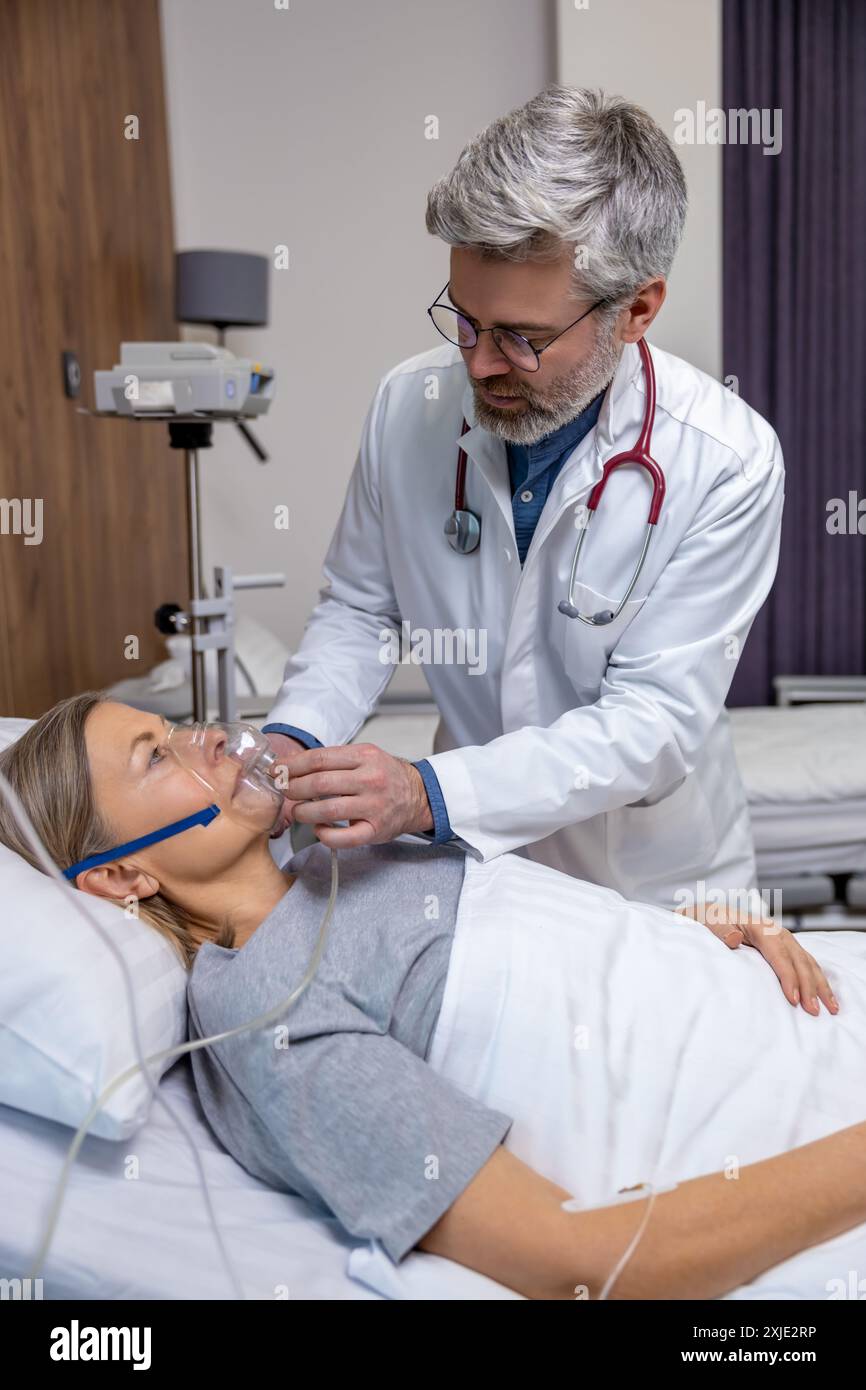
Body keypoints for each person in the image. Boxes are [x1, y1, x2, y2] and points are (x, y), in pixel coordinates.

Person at [4, 694, 865, 1304]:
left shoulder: (341, 860)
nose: (211, 739)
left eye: (174, 724)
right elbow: (589, 1264)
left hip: (802, 1003)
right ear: (122, 874)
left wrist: (684, 938)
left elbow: (553, 956)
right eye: (157, 756)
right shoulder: (267, 1014)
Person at [260, 85, 785, 911]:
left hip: (656, 885)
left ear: (637, 309)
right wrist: (294, 735)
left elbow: (653, 724)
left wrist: (427, 794)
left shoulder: (728, 460)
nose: (476, 365)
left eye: (521, 338)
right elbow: (363, 609)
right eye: (465, 320)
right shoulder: (409, 407)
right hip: (475, 872)